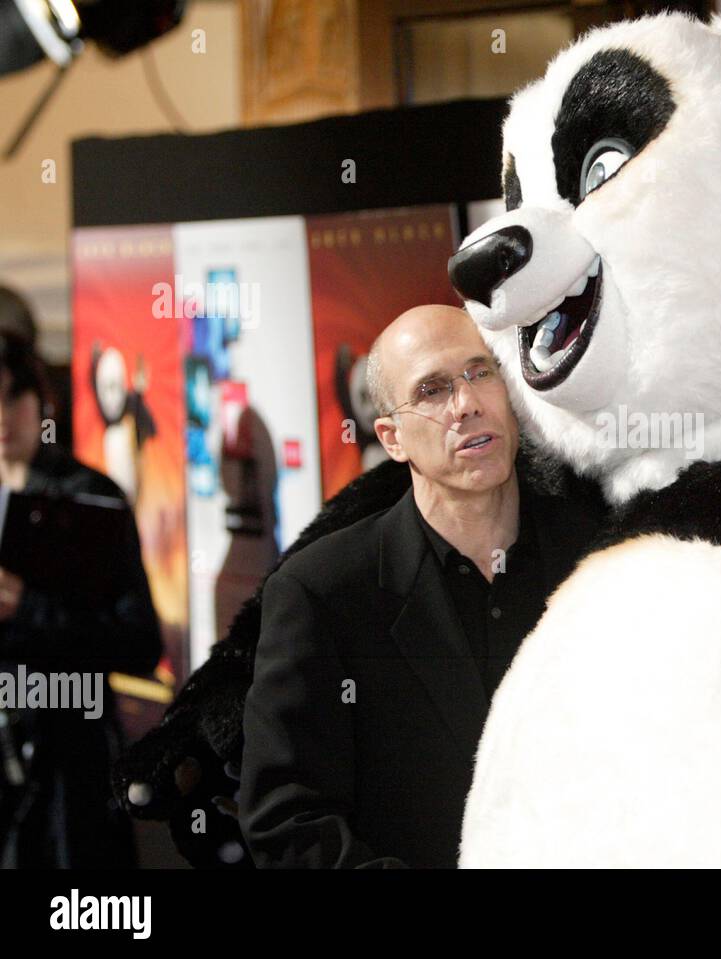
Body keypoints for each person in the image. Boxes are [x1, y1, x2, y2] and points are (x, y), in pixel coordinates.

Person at [238, 305, 605, 868]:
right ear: (391, 438)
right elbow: (289, 823)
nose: (467, 404)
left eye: (481, 373)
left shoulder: (598, 554)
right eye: (432, 390)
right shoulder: (324, 593)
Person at [0, 332, 161, 867]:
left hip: (71, 763)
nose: (1, 417)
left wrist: (31, 608)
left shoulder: (91, 499)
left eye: (11, 397)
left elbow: (140, 641)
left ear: (39, 402)